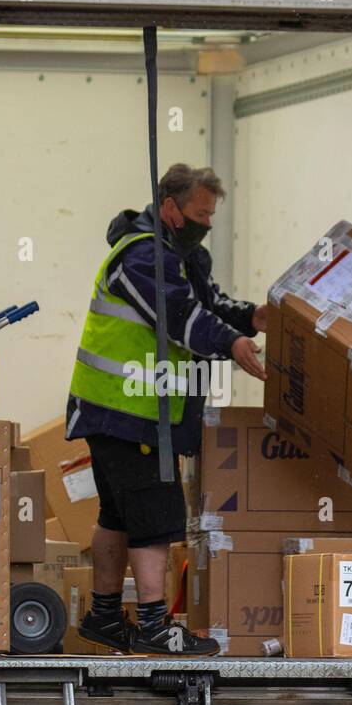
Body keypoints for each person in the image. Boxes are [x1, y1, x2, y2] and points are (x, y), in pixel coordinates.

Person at [68, 164, 267, 655]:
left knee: (116, 516)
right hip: (127, 412)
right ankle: (156, 626)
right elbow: (181, 318)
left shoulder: (181, 255)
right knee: (155, 518)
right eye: (200, 213)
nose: (207, 223)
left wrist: (250, 318)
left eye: (212, 215)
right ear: (171, 207)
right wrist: (233, 343)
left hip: (125, 411)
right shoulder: (142, 257)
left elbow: (210, 303)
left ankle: (106, 617)